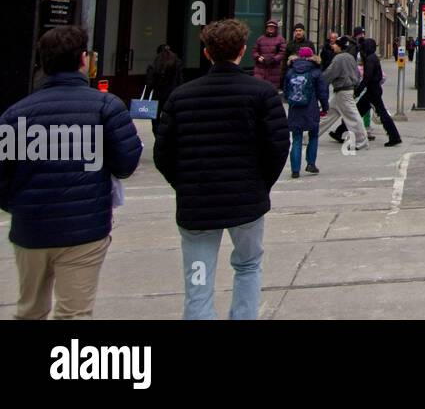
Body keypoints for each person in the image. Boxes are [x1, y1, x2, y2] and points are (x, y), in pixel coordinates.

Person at [1, 25, 142, 320]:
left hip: (31, 227)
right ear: (82, 60)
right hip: (84, 227)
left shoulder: (16, 114)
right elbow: (126, 164)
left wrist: (19, 206)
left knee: (29, 310)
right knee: (74, 313)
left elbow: (3, 177)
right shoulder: (106, 106)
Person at [154, 18, 289, 320]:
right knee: (248, 266)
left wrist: (185, 183)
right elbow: (278, 146)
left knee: (198, 279)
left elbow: (163, 153)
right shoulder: (261, 94)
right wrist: (260, 184)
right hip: (246, 201)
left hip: (197, 204)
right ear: (243, 50)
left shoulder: (181, 97)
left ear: (207, 53)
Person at [284, 47, 328, 178]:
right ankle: (311, 164)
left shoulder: (290, 71)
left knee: (296, 138)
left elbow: (286, 91)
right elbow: (322, 91)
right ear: (312, 56)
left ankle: (295, 170)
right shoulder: (315, 71)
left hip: (295, 108)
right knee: (313, 136)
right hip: (311, 108)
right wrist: (325, 107)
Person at [323, 37, 370, 149]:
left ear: (340, 46)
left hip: (343, 92)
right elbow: (358, 75)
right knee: (327, 116)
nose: (332, 46)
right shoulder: (350, 57)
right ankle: (308, 136)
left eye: (335, 44)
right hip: (345, 91)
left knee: (353, 117)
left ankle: (361, 141)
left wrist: (319, 82)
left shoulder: (339, 58)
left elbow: (329, 74)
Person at [356, 38, 402, 147]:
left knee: (381, 113)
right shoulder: (373, 58)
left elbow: (367, 77)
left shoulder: (370, 59)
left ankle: (394, 136)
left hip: (373, 91)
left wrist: (358, 90)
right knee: (358, 110)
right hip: (374, 89)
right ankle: (341, 130)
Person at [144, 43, 184, 130]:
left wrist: (145, 99)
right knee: (171, 118)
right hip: (173, 95)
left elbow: (149, 84)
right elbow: (180, 81)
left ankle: (158, 135)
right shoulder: (177, 64)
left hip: (158, 95)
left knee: (155, 119)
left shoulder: (155, 64)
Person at [252, 19, 286, 89]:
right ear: (266, 28)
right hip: (260, 69)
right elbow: (254, 51)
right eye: (269, 27)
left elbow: (282, 52)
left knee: (271, 89)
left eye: (272, 27)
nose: (270, 28)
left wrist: (274, 59)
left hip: (274, 69)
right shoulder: (260, 39)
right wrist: (258, 57)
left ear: (276, 28)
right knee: (259, 89)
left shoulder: (280, 39)